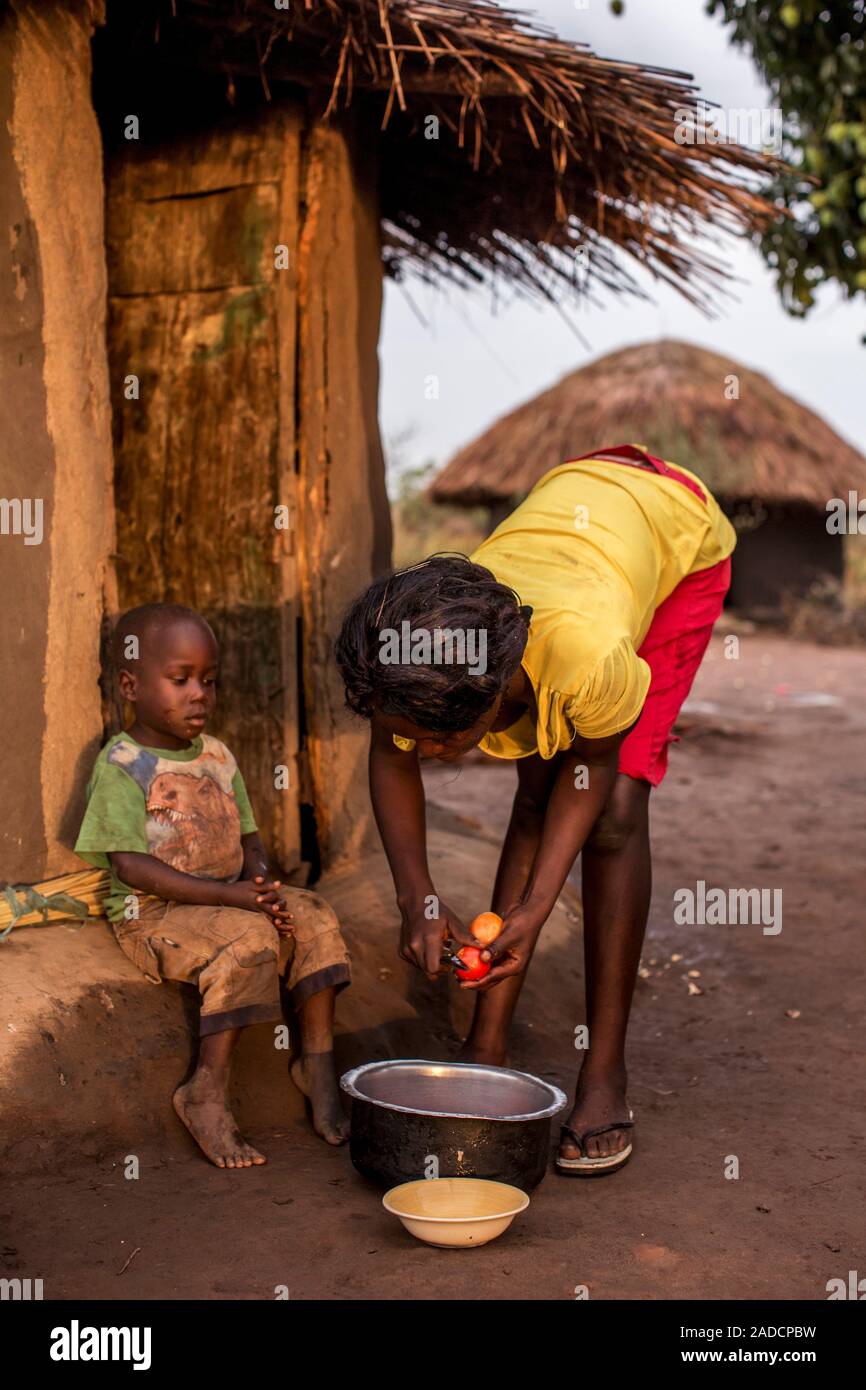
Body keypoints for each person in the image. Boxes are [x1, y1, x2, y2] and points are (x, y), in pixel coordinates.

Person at [336, 444, 734, 1175]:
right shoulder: (427, 651)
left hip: (677, 535)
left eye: (437, 743)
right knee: (533, 792)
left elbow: (592, 764)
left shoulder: (588, 661)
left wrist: (538, 905)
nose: (420, 752)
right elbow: (390, 753)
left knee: (612, 810)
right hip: (576, 496)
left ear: (492, 701)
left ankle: (605, 1072)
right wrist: (417, 898)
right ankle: (486, 1045)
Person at [75, 603, 351, 1168]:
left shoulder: (219, 757)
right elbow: (129, 865)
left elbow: (250, 839)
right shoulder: (122, 764)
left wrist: (260, 883)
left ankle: (317, 1062)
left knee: (314, 915)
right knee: (249, 941)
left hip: (229, 896)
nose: (199, 693)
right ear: (131, 684)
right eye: (180, 680)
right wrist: (233, 899)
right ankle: (205, 1090)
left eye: (209, 680)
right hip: (153, 913)